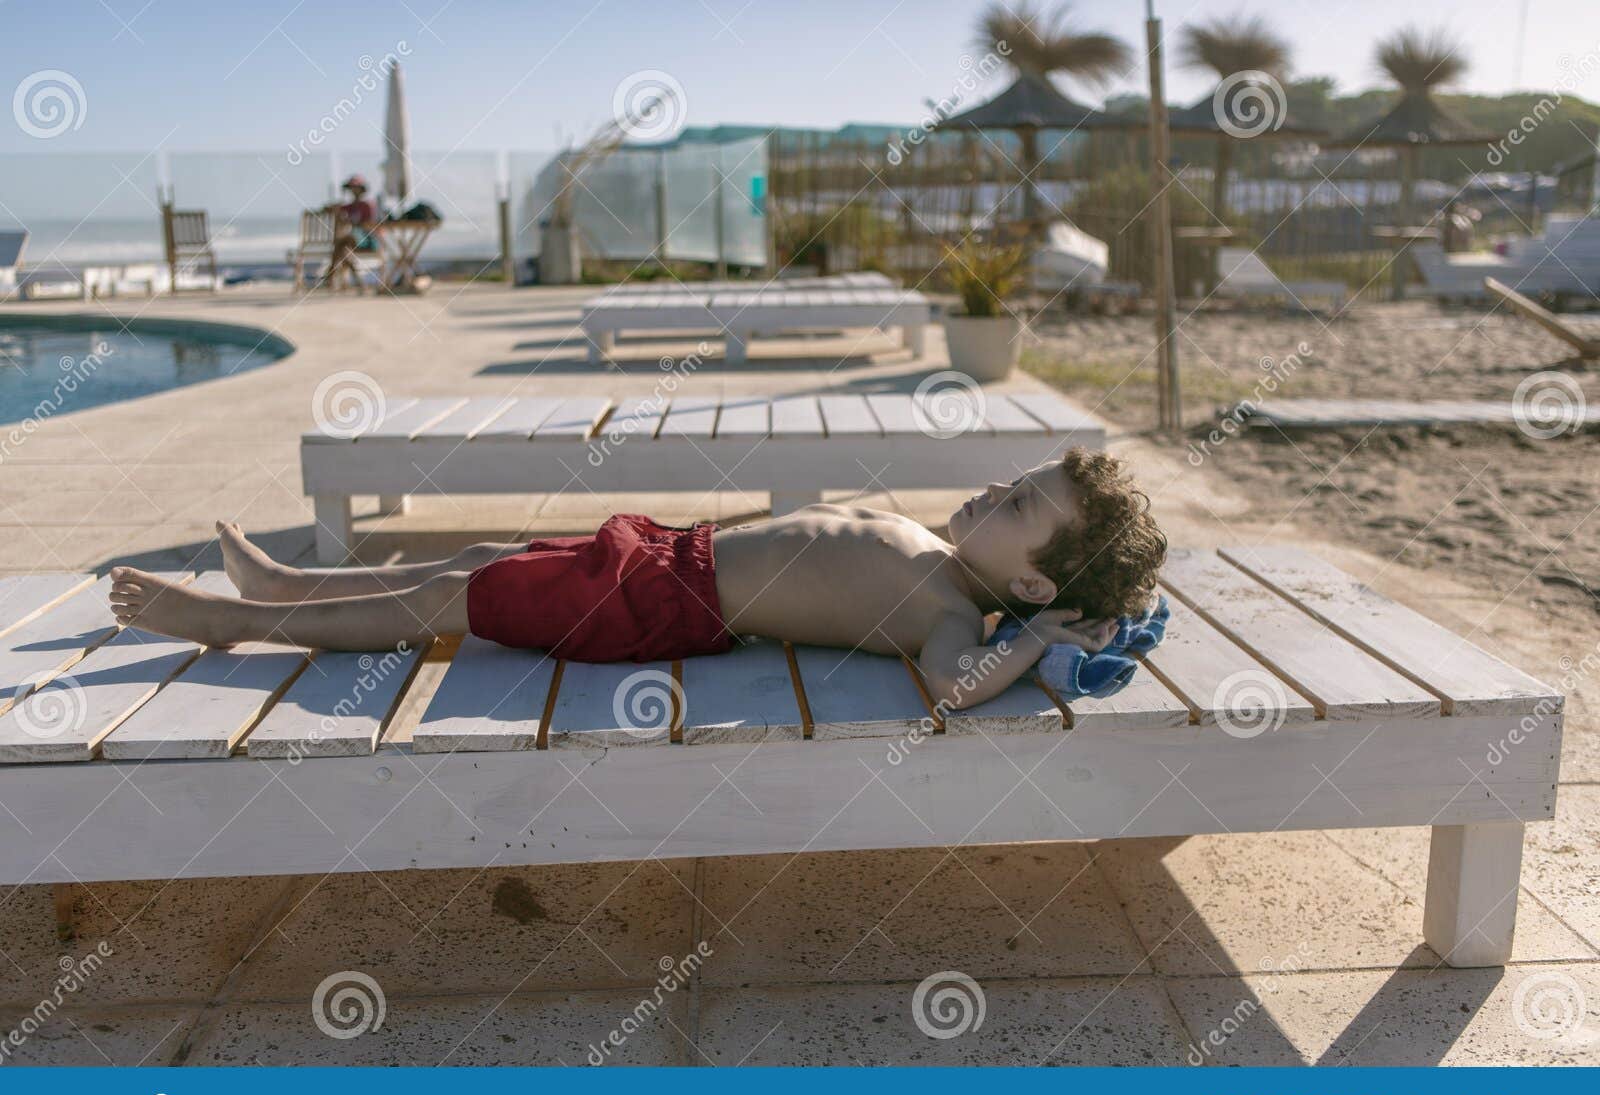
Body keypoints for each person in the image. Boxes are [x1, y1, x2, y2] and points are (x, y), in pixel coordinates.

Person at [107, 449, 1167, 710]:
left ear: (1031, 589)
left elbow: (955, 686)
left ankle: (231, 621)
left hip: (653, 603)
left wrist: (1035, 651)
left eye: (1021, 506)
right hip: (665, 556)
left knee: (444, 606)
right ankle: (286, 585)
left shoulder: (944, 612)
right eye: (1017, 478)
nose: (998, 486)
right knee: (477, 561)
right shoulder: (941, 561)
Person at [322, 175, 380, 291]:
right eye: (352, 188)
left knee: (342, 242)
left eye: (356, 188)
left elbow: (369, 225)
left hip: (368, 240)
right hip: (352, 241)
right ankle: (359, 282)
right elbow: (327, 209)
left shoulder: (367, 205)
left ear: (362, 189)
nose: (354, 191)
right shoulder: (349, 206)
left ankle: (331, 273)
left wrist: (353, 223)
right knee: (343, 249)